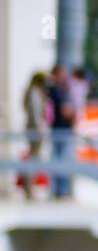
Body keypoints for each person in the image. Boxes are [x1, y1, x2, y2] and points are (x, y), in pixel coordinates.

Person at [46, 64, 76, 198]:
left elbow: (69, 110)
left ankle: (62, 188)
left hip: (63, 129)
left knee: (63, 159)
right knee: (59, 160)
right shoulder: (54, 89)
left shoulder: (63, 89)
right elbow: (65, 111)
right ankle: (59, 189)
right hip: (58, 129)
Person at [17, 71, 48, 199]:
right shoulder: (34, 92)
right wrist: (40, 127)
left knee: (33, 157)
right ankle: (28, 188)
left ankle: (29, 188)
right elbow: (35, 113)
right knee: (33, 158)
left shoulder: (32, 92)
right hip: (35, 128)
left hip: (33, 127)